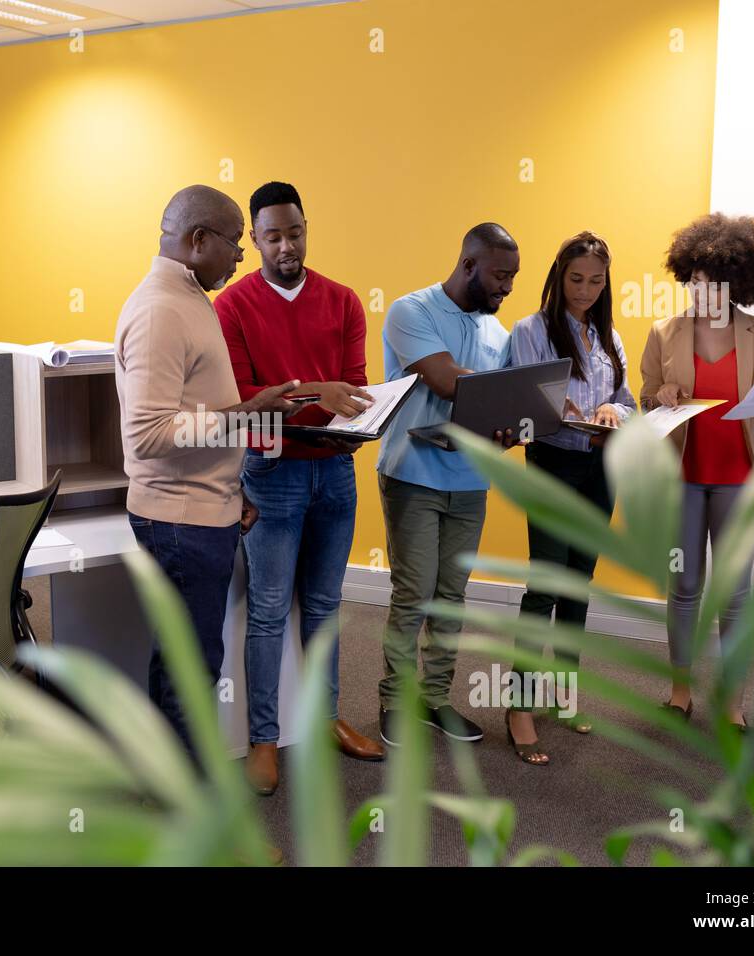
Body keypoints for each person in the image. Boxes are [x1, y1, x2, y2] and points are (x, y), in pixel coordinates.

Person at [114, 184, 300, 752]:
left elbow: (195, 413)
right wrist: (245, 414)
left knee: (185, 665)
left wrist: (229, 483)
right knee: (192, 674)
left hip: (202, 507)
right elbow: (148, 435)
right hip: (179, 521)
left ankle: (175, 801)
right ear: (198, 241)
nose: (242, 256)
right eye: (235, 243)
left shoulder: (188, 297)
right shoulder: (159, 311)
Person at [215, 181, 384, 796]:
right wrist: (318, 391)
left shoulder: (342, 302)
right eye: (272, 236)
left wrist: (351, 419)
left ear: (306, 227)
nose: (287, 245)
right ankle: (264, 739)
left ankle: (326, 716)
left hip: (336, 471)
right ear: (255, 240)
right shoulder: (231, 307)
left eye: (296, 232)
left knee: (324, 606)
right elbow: (244, 405)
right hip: (271, 475)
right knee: (266, 611)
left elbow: (357, 389)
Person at [640, 212, 754, 730]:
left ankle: (732, 699)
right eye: (694, 280)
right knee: (685, 585)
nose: (699, 290)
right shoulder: (665, 331)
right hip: (683, 475)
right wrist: (660, 396)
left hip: (739, 475)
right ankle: (680, 690)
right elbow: (644, 400)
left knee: (735, 591)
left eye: (712, 283)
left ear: (739, 284)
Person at [376, 222, 520, 747]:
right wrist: (506, 398)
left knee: (452, 597)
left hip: (469, 480)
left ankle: (434, 699)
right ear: (468, 266)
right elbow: (444, 379)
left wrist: (510, 425)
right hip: (413, 473)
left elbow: (499, 410)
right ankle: (394, 700)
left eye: (513, 278)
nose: (507, 288)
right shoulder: (410, 311)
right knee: (414, 595)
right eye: (500, 276)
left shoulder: (497, 333)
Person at [506, 231, 636, 765]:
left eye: (596, 281)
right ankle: (517, 705)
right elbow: (524, 400)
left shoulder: (609, 335)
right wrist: (569, 413)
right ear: (559, 276)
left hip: (601, 464)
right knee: (546, 583)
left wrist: (614, 414)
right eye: (576, 278)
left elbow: (625, 398)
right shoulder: (531, 330)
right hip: (554, 462)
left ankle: (562, 690)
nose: (585, 290)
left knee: (579, 581)